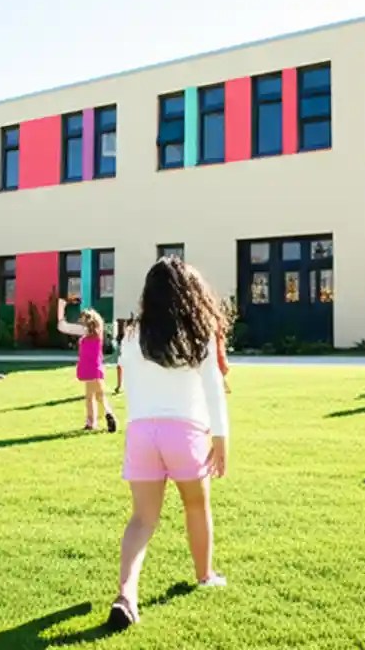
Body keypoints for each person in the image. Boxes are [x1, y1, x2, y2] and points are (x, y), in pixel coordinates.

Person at [108, 256, 229, 631]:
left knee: (142, 519)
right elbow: (213, 386)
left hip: (141, 433)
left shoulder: (131, 335)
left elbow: (128, 383)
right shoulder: (199, 332)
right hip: (186, 432)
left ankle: (126, 594)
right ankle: (205, 574)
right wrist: (222, 438)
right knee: (196, 506)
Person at [58, 299, 117, 432]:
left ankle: (107, 414)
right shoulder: (97, 333)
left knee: (95, 396)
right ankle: (92, 421)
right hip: (96, 368)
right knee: (95, 395)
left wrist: (61, 307)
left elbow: (62, 327)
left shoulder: (85, 333)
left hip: (88, 369)